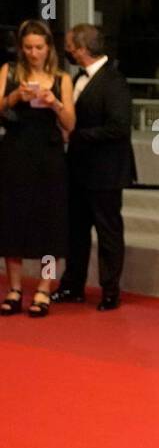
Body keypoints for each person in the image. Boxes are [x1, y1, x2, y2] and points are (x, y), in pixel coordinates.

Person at [52, 24, 137, 311]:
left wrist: (76, 135)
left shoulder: (114, 81)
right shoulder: (78, 78)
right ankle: (72, 285)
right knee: (75, 231)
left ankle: (110, 290)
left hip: (105, 171)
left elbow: (119, 128)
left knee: (108, 231)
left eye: (70, 46)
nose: (67, 51)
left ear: (82, 49)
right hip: (77, 169)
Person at [0, 20, 75, 317]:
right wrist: (14, 97)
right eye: (28, 47)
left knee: (49, 223)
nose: (34, 53)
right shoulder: (9, 72)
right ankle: (15, 288)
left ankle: (44, 287)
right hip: (14, 152)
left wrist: (54, 103)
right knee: (12, 220)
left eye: (39, 48)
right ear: (21, 48)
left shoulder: (61, 78)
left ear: (49, 48)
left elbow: (70, 124)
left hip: (49, 155)